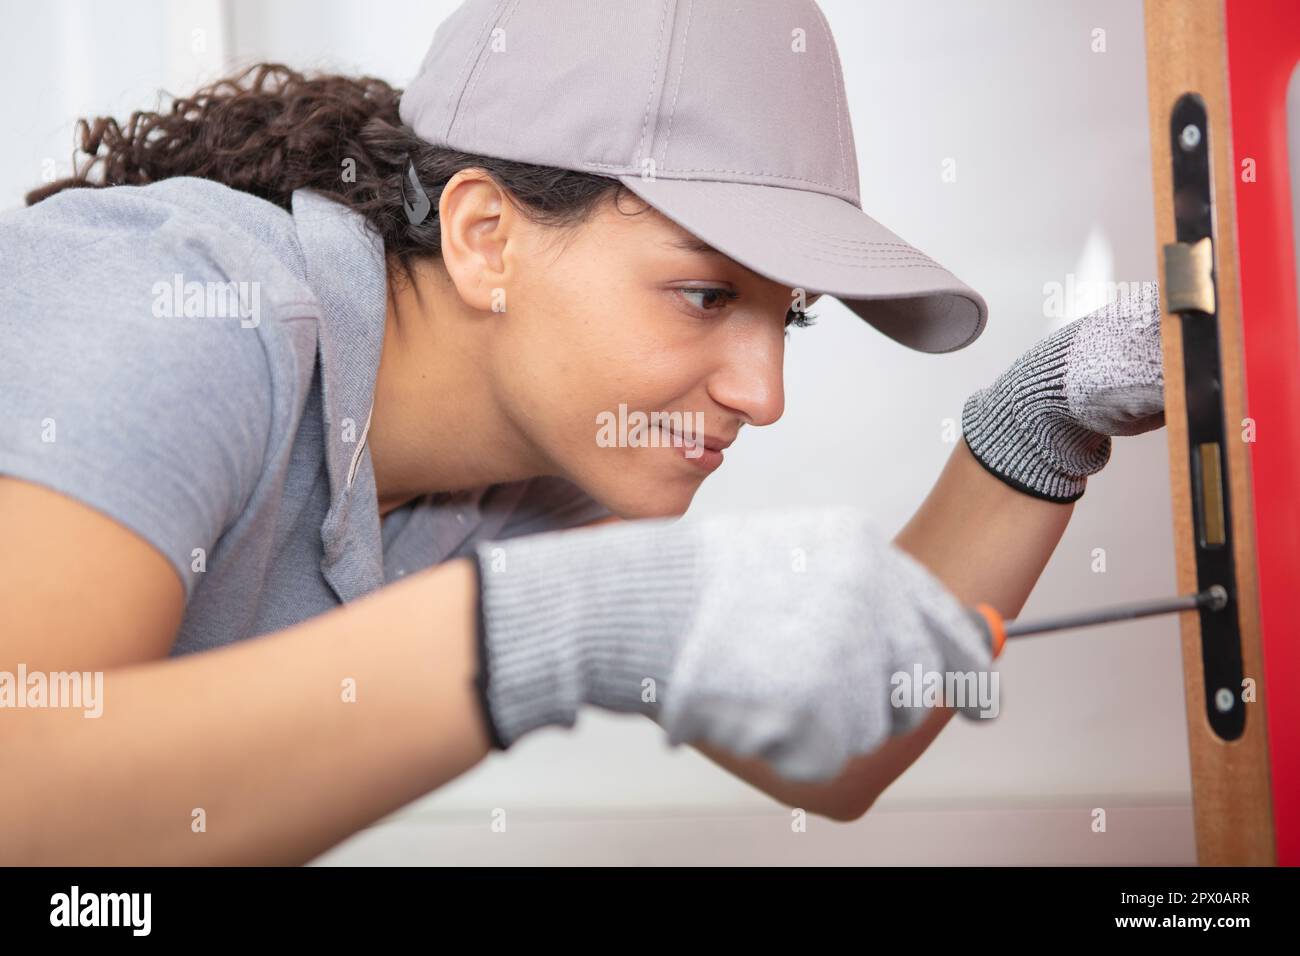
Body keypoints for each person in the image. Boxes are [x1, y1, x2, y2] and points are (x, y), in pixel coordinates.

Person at [0, 0, 1164, 864]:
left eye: (789, 321)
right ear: (486, 237)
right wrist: (545, 632)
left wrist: (1034, 428)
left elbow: (842, 752)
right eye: (706, 294)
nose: (764, 395)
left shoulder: (526, 480)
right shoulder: (179, 304)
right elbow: (23, 791)